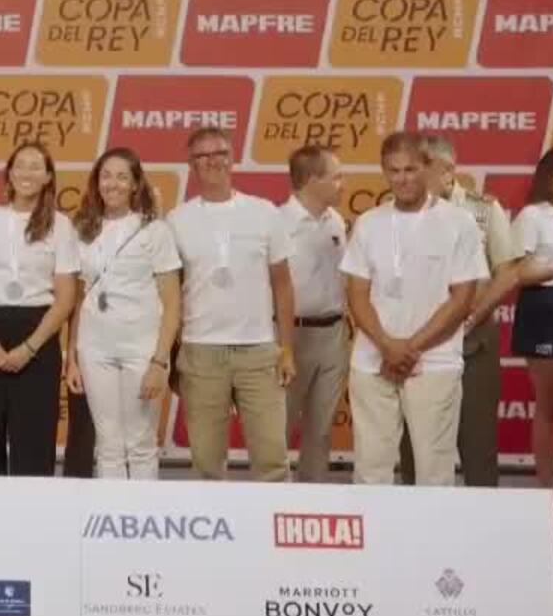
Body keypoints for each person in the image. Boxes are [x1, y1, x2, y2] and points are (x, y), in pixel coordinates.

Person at [340, 131, 488, 487]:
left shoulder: (459, 223)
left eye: (410, 169)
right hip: (372, 359)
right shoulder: (369, 223)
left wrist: (410, 348)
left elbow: (462, 298)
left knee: (433, 469)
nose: (402, 179)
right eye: (393, 171)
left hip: (434, 361)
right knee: (370, 467)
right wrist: (388, 346)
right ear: (384, 172)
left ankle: (430, 544)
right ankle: (374, 541)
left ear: (428, 168)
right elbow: (357, 293)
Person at [466, 146, 553, 512]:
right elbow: (520, 273)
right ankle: (545, 488)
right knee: (551, 403)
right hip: (543, 308)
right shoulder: (531, 216)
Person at [168, 127, 295, 481]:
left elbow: (283, 286)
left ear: (232, 157)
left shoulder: (265, 212)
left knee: (272, 460)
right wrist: (171, 353)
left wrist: (286, 349)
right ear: (191, 164)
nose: (212, 161)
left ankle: (270, 531)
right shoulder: (176, 221)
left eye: (220, 152)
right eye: (202, 156)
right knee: (207, 463)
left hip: (258, 351)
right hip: (201, 352)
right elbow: (170, 294)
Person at [0, 141, 78, 476]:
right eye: (20, 165)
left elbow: (66, 297)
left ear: (48, 177)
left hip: (37, 332)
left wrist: (29, 347)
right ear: (9, 174)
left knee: (34, 441)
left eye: (35, 166)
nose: (27, 172)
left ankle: (31, 521)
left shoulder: (61, 224)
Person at [70, 148, 181, 480]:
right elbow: (80, 297)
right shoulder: (83, 229)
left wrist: (160, 361)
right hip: (94, 348)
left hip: (142, 349)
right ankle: (111, 521)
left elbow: (173, 303)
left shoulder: (154, 231)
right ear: (96, 182)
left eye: (121, 176)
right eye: (106, 176)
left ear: (135, 185)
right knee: (107, 444)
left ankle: (141, 524)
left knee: (141, 443)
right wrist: (72, 357)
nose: (112, 184)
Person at [411, 134, 515, 487]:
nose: (414, 176)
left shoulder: (484, 210)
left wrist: (474, 315)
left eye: (423, 167)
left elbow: (507, 272)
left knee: (477, 442)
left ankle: (481, 529)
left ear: (448, 169)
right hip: (419, 342)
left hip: (474, 342)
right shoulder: (402, 212)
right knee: (415, 444)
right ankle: (415, 526)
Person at [280, 144, 349, 482]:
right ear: (310, 180)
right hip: (291, 336)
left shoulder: (336, 220)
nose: (343, 183)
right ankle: (269, 505)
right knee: (280, 427)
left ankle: (313, 501)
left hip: (334, 333)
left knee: (321, 431)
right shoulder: (277, 224)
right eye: (336, 177)